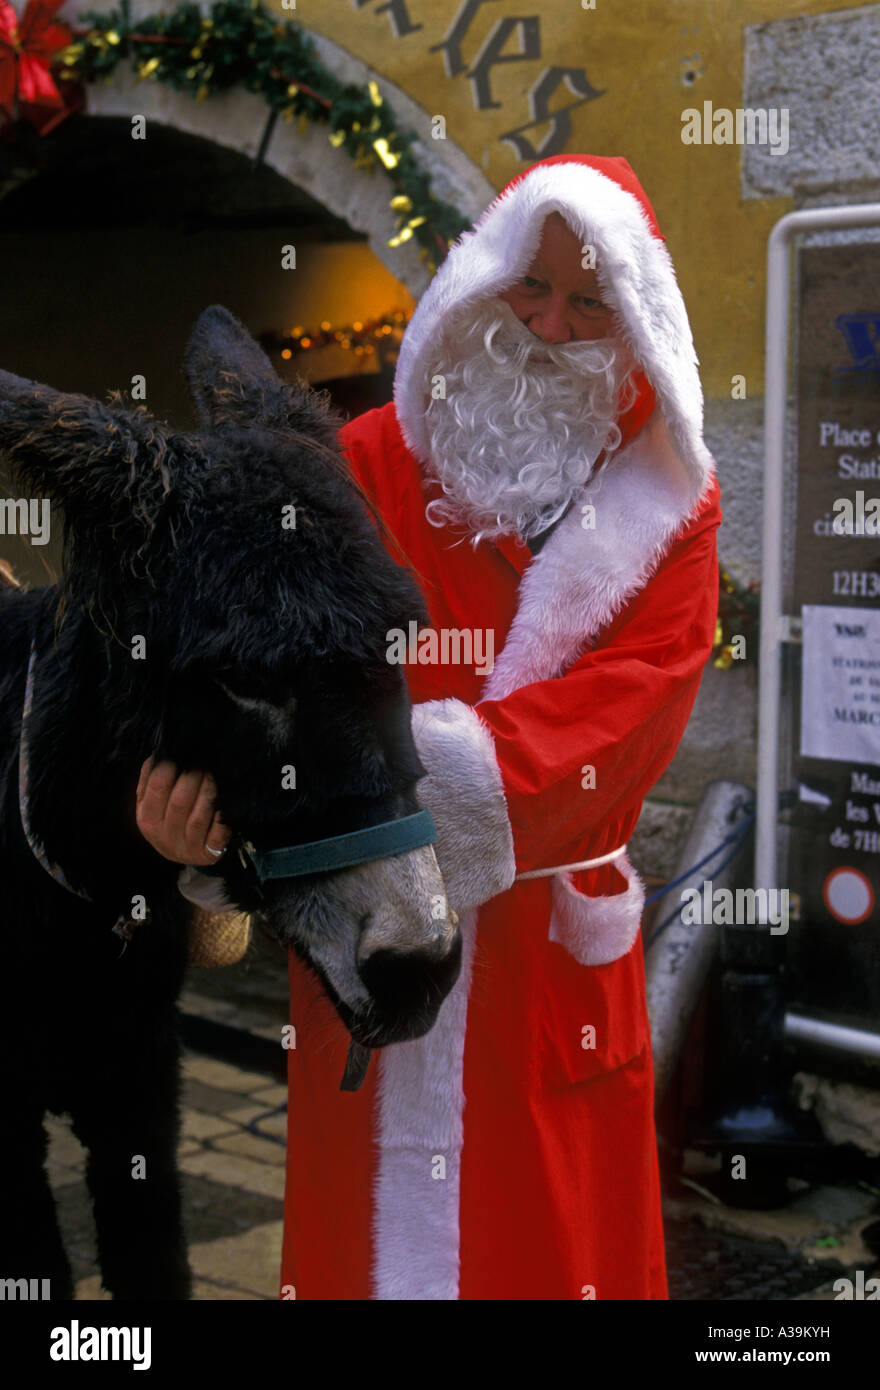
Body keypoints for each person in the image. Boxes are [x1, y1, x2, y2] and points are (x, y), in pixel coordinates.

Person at [136, 153, 721, 1301]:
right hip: (361, 942)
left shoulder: (671, 508)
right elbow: (257, 664)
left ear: (633, 321)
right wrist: (212, 813)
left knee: (543, 1258)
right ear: (481, 281)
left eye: (589, 299)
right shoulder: (352, 469)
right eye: (528, 287)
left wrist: (378, 789)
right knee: (359, 1254)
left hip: (543, 975)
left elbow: (627, 717)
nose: (549, 324)